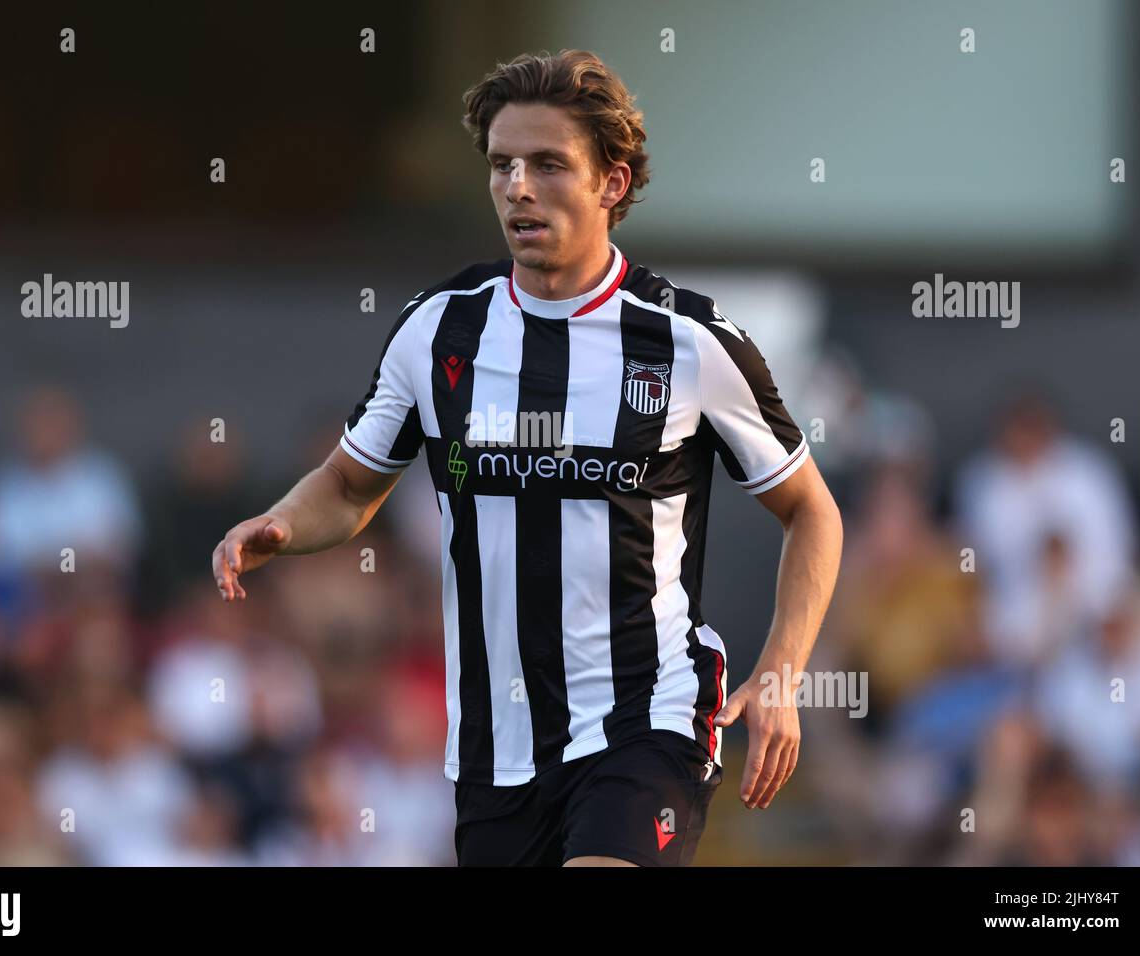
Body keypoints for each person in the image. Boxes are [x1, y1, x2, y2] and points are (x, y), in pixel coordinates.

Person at [212, 49, 842, 867]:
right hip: (492, 751)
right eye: (502, 165)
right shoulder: (437, 330)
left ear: (611, 183)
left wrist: (783, 670)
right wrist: (283, 525)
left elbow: (812, 510)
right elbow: (347, 484)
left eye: (548, 165)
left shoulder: (689, 343)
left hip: (644, 721)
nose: (518, 187)